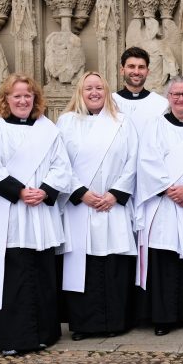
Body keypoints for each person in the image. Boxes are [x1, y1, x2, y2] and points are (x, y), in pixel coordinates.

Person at [0, 74, 71, 356]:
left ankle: (42, 335)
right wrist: (20, 192)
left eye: (28, 96)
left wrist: (45, 190)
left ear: (36, 99)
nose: (23, 100)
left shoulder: (47, 129)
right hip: (7, 213)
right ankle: (10, 336)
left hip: (38, 215)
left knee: (39, 274)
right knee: (9, 276)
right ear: (6, 99)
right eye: (17, 96)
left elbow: (62, 167)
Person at [58, 71, 138, 341]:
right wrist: (81, 193)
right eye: (88, 88)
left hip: (112, 205)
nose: (94, 93)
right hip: (81, 205)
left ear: (107, 91)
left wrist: (115, 194)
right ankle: (84, 324)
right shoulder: (66, 122)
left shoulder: (122, 123)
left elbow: (133, 161)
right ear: (80, 92)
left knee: (114, 264)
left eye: (99, 88)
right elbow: (59, 164)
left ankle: (116, 321)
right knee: (84, 265)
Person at [135, 77, 183, 336]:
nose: (181, 99)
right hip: (164, 205)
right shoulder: (155, 127)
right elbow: (147, 161)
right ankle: (163, 318)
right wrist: (171, 190)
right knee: (164, 260)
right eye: (176, 94)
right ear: (168, 98)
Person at [112, 46, 168, 133]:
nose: (136, 72)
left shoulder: (161, 103)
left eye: (141, 67)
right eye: (131, 66)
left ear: (147, 72)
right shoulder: (111, 101)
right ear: (122, 70)